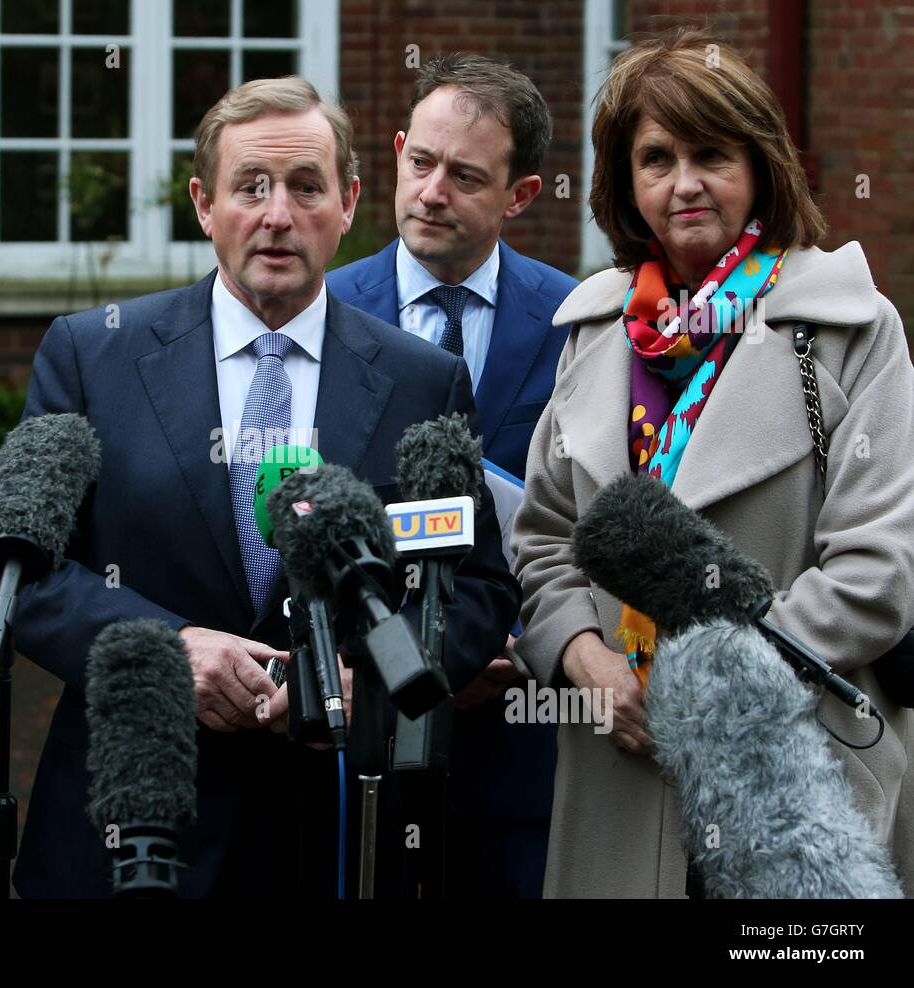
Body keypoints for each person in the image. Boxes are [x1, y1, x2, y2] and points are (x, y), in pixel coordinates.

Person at [0, 76, 521, 898]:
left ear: (348, 202)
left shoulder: (420, 381)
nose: (276, 215)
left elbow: (473, 586)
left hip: (331, 829)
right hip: (131, 819)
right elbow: (15, 571)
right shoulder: (94, 355)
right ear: (204, 203)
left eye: (306, 187)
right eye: (250, 188)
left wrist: (364, 670)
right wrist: (168, 650)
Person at [512, 28, 914, 898]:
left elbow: (878, 572)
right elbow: (544, 542)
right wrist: (587, 664)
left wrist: (705, 694)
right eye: (656, 158)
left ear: (761, 166)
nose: (684, 183)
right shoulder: (593, 331)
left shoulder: (852, 328)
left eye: (711, 154)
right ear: (626, 183)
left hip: (796, 777)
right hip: (618, 778)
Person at [327, 52, 575, 898]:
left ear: (521, 195)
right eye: (420, 162)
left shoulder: (581, 326)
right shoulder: (321, 315)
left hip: (519, 743)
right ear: (396, 153)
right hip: (353, 749)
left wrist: (530, 648)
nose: (431, 192)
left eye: (465, 176)